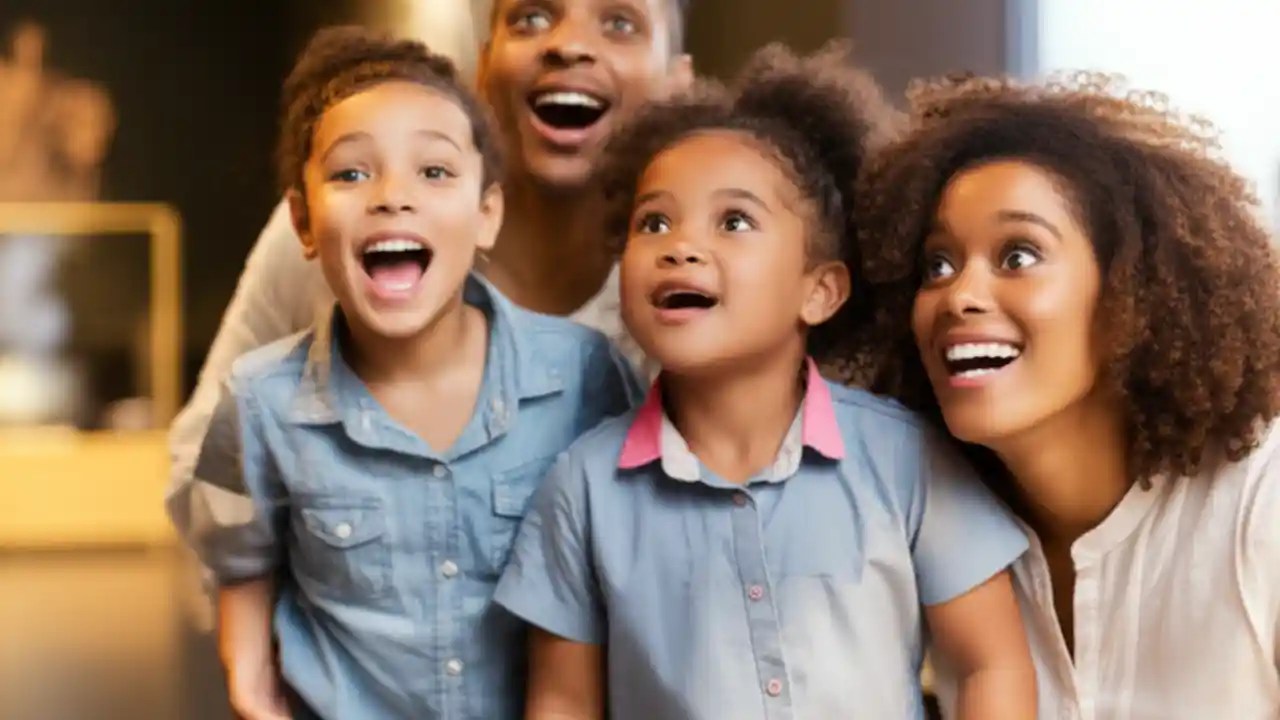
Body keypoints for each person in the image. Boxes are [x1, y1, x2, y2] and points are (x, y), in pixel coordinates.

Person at [493, 43, 1038, 720]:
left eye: (734, 221)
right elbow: (563, 702)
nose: (681, 245)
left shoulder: (908, 460)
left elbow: (992, 665)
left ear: (820, 291)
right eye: (653, 221)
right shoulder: (581, 488)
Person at [166, 27, 640, 720]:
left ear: (486, 215)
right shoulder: (259, 401)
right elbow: (237, 552)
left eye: (435, 171)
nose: (393, 196)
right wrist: (249, 682)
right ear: (301, 221)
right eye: (352, 173)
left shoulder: (584, 375)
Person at [856, 71, 1280, 719]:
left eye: (1018, 255)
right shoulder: (918, 525)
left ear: (1131, 296)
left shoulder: (1260, 501)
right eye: (937, 264)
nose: (959, 295)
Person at [169, 0, 693, 501]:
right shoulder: (347, 226)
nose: (569, 44)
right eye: (531, 17)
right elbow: (205, 466)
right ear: (483, 65)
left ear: (678, 81)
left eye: (621, 22)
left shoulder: (691, 278)